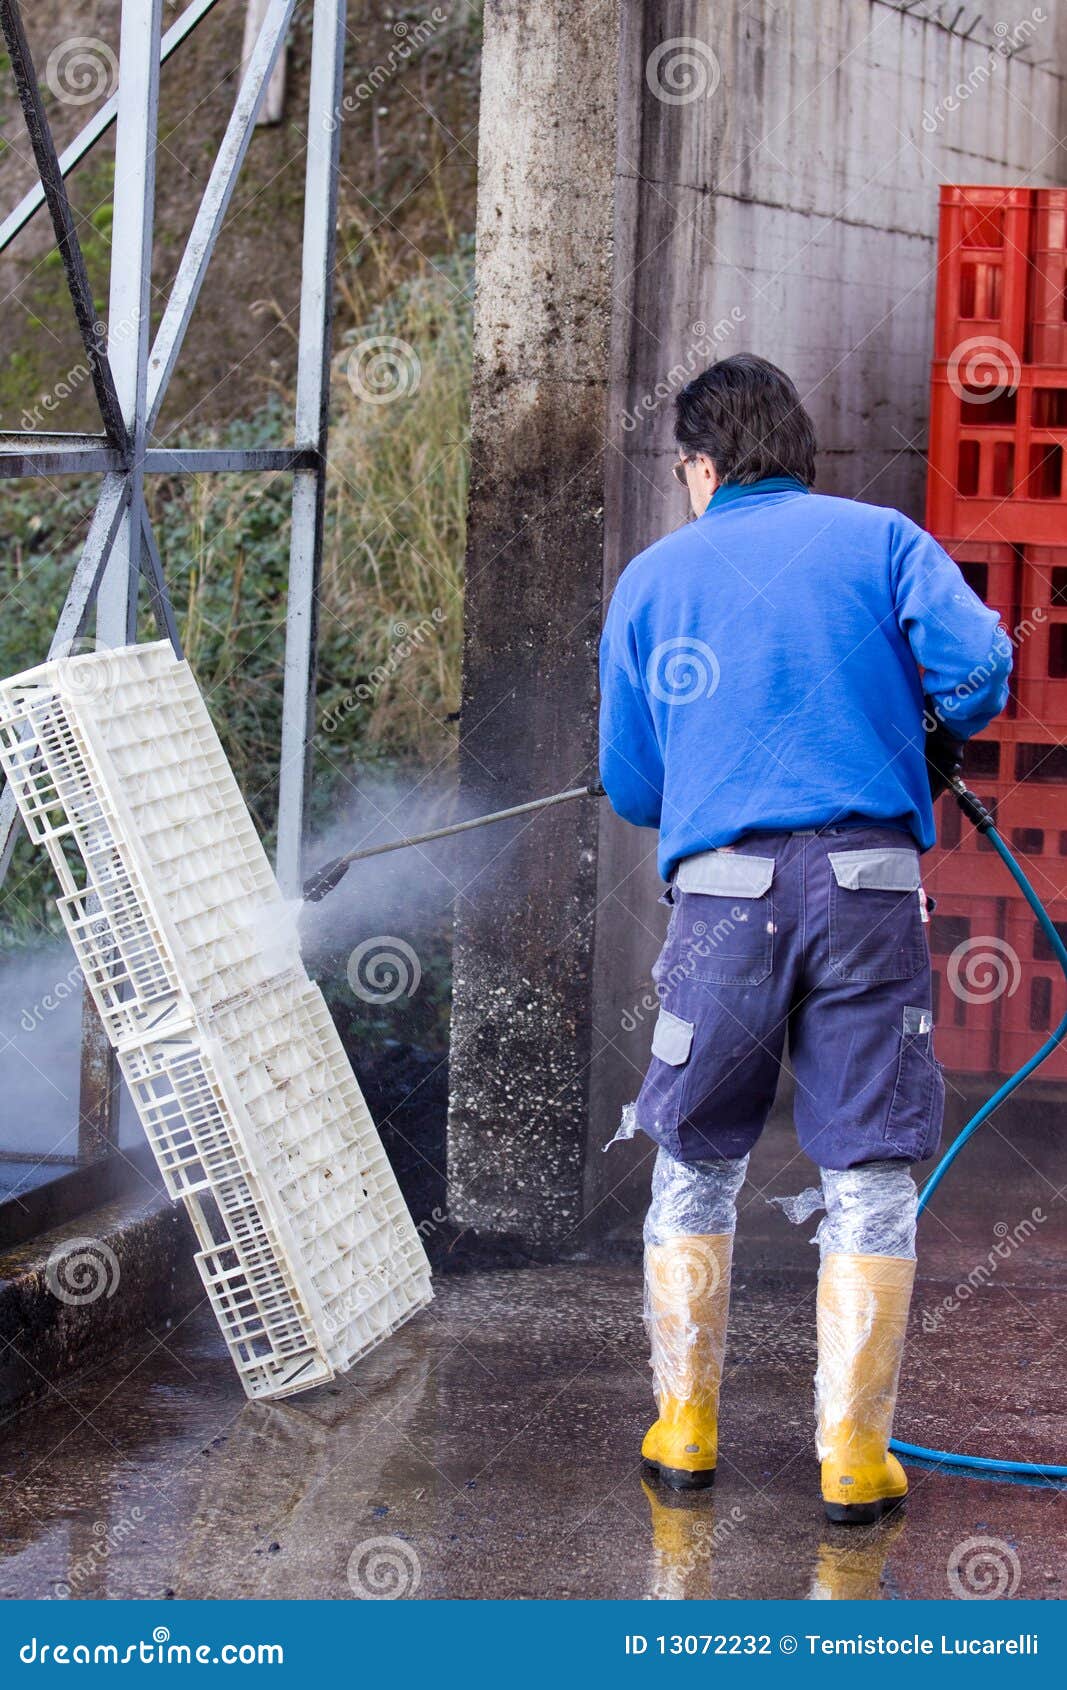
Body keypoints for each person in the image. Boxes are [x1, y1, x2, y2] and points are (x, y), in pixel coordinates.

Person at [598, 353, 1011, 1523]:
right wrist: (926, 715)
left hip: (722, 899)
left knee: (694, 1152)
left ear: (698, 462)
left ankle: (683, 1429)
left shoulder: (651, 581)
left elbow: (631, 783)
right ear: (795, 451)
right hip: (866, 885)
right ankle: (849, 1456)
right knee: (867, 1162)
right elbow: (980, 669)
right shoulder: (878, 540)